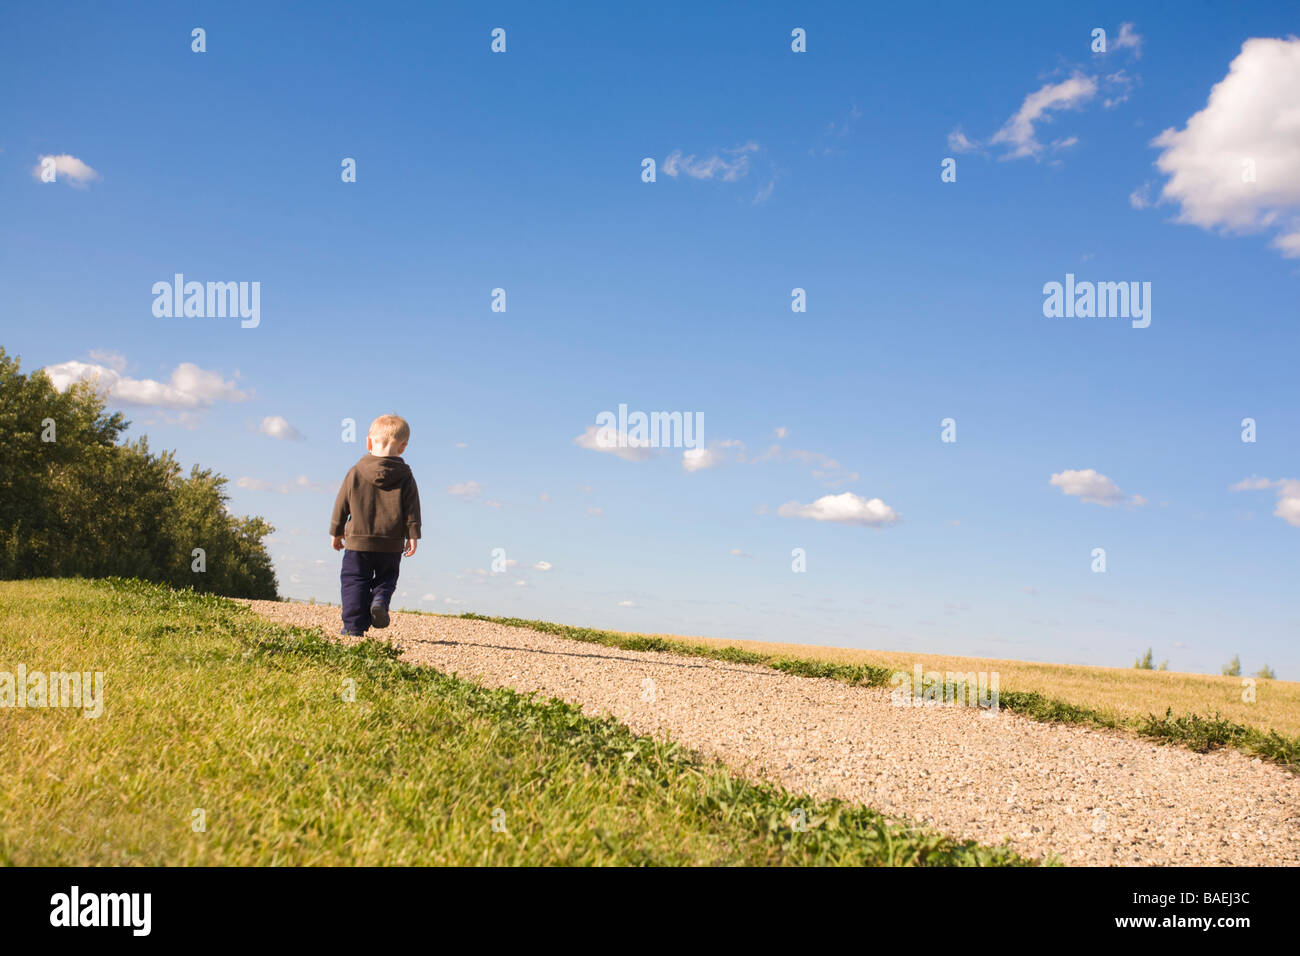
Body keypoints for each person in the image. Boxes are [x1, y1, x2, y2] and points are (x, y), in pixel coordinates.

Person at [328, 414, 421, 636]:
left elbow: (342, 502)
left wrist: (336, 531)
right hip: (391, 542)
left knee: (354, 580)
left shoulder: (356, 471)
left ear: (369, 442)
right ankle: (379, 599)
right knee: (386, 577)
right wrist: (413, 535)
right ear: (403, 447)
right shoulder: (406, 475)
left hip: (358, 541)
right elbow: (412, 507)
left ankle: (353, 627)